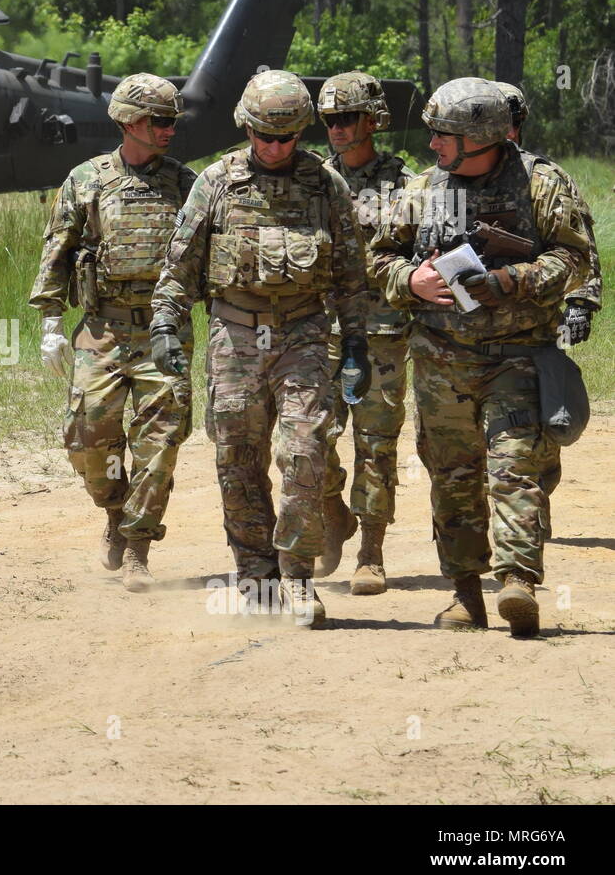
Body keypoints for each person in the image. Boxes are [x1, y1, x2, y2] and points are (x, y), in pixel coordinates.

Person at [370, 78, 591, 637]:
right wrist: (410, 280)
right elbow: (378, 259)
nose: (432, 145)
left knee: (514, 468)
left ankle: (518, 581)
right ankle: (465, 593)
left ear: (480, 138)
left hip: (518, 359)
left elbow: (576, 260)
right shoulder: (423, 188)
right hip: (440, 363)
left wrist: (510, 280)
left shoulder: (542, 183)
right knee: (452, 478)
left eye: (442, 135)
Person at [151, 69, 370, 627]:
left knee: (305, 452)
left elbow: (350, 273)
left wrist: (356, 343)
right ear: (246, 128)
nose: (275, 147)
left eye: (287, 137)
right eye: (265, 136)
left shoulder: (325, 185)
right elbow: (181, 265)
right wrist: (164, 326)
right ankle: (256, 573)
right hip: (235, 334)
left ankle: (297, 574)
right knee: (238, 458)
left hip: (303, 334)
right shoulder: (216, 183)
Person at [29, 73, 196, 591]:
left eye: (172, 121)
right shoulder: (86, 179)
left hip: (165, 331)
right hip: (101, 329)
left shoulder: (186, 184)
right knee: (86, 438)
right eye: (159, 120)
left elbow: (208, 256)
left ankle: (138, 548)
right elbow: (58, 247)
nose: (169, 129)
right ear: (128, 121)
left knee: (159, 444)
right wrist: (51, 319)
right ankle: (114, 512)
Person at [315, 71, 414, 595]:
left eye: (347, 117)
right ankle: (333, 511)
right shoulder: (310, 179)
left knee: (376, 443)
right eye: (329, 118)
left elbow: (423, 257)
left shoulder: (408, 184)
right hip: (318, 331)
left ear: (373, 121)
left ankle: (371, 552)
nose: (336, 127)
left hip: (382, 333)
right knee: (310, 437)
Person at [492, 82, 602, 345]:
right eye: (501, 124)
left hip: (530, 312)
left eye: (515, 124)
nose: (510, 133)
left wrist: (580, 302)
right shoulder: (444, 181)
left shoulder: (546, 178)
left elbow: (578, 243)